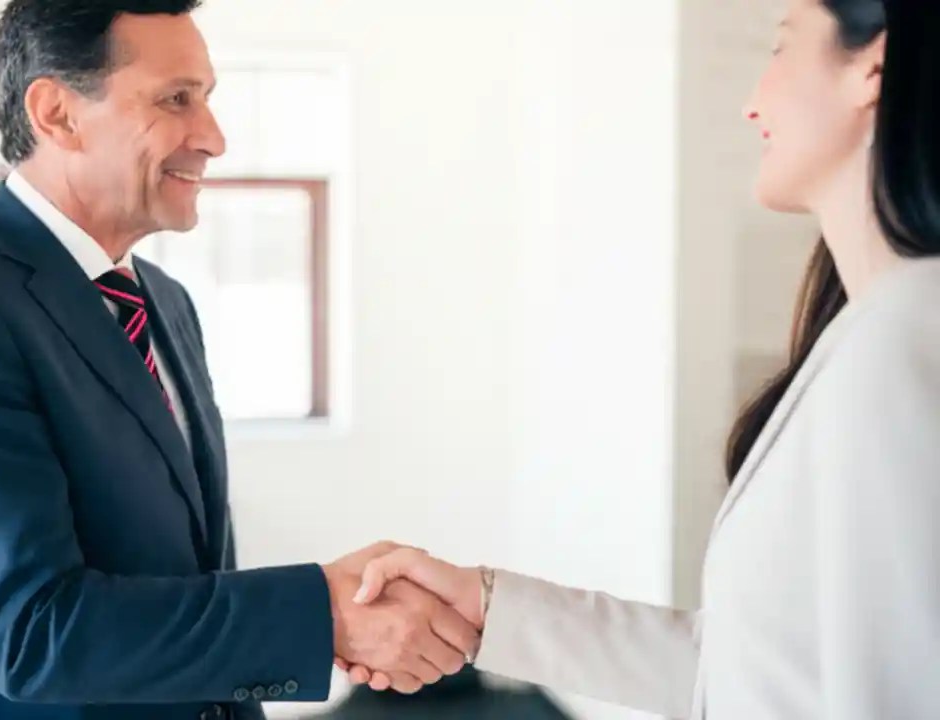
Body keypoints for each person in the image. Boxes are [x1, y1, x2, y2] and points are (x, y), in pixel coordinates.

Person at [0, 2, 478, 718]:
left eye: (206, 99)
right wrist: (320, 612)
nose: (213, 138)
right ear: (57, 113)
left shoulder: (164, 303)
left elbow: (189, 575)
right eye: (176, 100)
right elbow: (33, 634)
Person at [341, 0, 940, 718]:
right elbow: (757, 672)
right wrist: (485, 612)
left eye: (782, 48)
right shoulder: (871, 333)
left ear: (870, 69)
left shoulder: (904, 340)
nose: (754, 103)